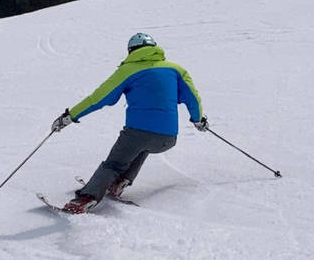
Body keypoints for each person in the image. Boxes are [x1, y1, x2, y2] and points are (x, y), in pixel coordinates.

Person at [50, 32, 205, 213]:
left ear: (131, 51)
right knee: (143, 147)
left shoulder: (128, 70)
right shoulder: (176, 69)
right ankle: (120, 181)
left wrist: (70, 116)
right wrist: (198, 120)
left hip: (137, 134)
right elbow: (193, 99)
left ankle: (87, 198)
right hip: (168, 138)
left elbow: (98, 99)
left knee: (114, 163)